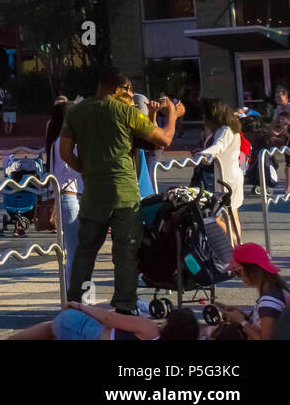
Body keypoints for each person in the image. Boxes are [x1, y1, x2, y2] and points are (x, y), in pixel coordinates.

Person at [60, 67, 184, 312]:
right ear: (118, 89)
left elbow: (65, 153)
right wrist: (173, 115)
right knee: (126, 252)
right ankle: (125, 306)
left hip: (93, 194)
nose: (130, 96)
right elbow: (164, 139)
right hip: (124, 194)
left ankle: (75, 303)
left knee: (86, 251)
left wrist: (86, 170)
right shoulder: (125, 112)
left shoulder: (76, 113)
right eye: (128, 91)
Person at [215, 243, 290, 339]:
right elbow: (262, 322)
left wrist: (242, 322)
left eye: (238, 272)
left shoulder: (268, 302)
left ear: (252, 269)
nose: (239, 277)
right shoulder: (276, 289)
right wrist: (242, 316)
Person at [8, 304, 199, 341]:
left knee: (56, 324)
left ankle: (14, 339)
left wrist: (81, 306)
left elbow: (110, 319)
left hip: (79, 329)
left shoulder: (149, 329)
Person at [195, 99, 245, 243]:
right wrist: (203, 152)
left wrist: (204, 154)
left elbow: (219, 146)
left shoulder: (224, 130)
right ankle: (238, 245)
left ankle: (235, 241)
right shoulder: (231, 129)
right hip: (232, 176)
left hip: (225, 179)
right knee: (232, 215)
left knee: (214, 215)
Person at [45, 98, 81, 288]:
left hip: (63, 197)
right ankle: (75, 294)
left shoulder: (54, 141)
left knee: (73, 250)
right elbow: (77, 168)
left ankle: (73, 293)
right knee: (76, 252)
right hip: (70, 197)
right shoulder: (65, 143)